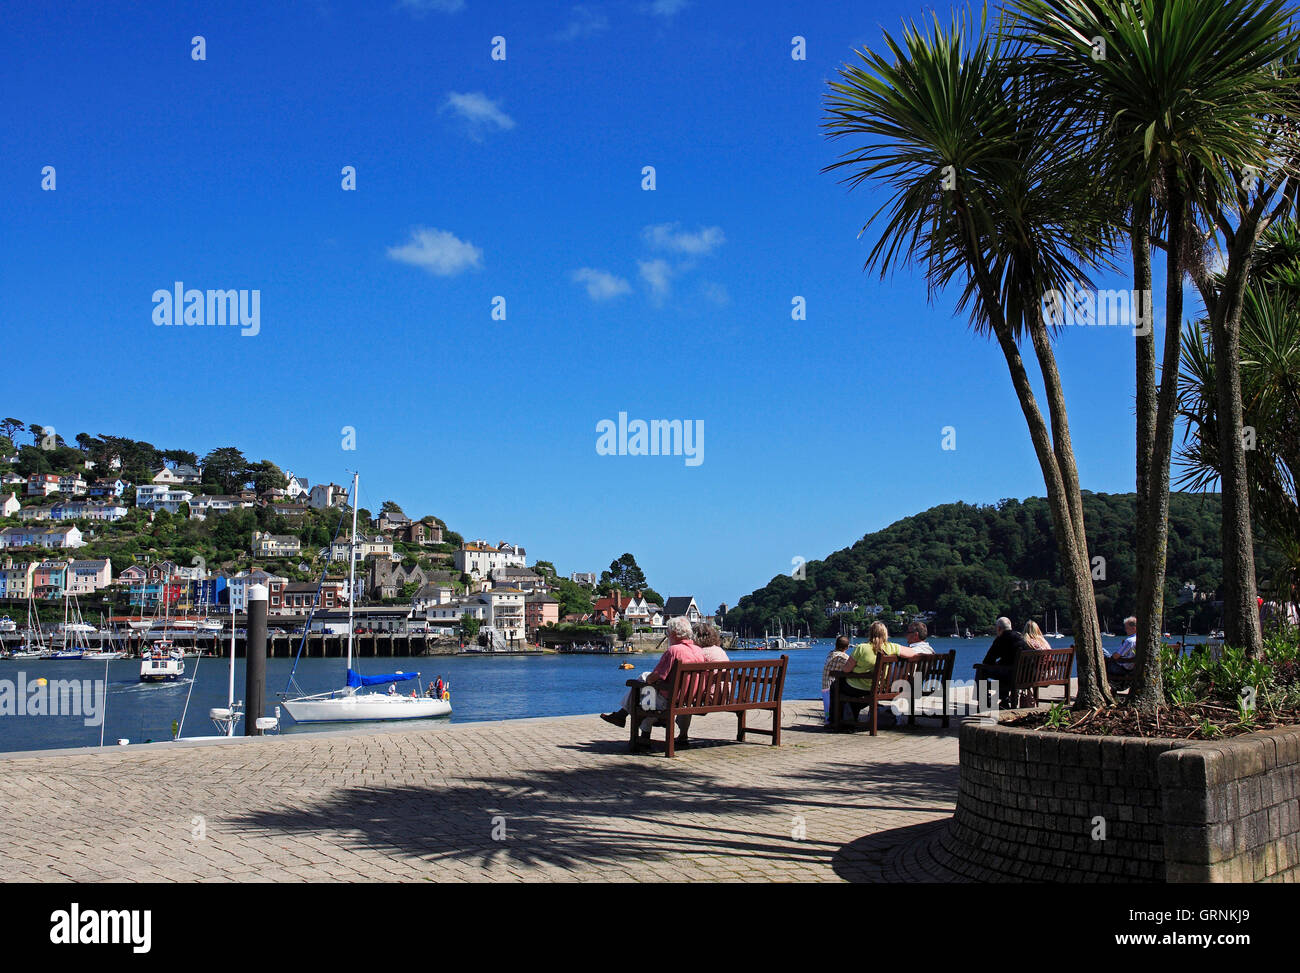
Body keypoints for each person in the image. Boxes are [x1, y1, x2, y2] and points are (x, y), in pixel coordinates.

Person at [600, 616, 705, 750]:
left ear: (674, 633)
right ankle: (629, 722)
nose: (667, 635)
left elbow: (655, 677)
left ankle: (624, 717)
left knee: (643, 683)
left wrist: (648, 680)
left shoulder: (674, 651)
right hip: (689, 699)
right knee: (646, 692)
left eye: (667, 632)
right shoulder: (699, 651)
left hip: (669, 700)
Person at [672, 621, 729, 747]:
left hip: (710, 697)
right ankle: (682, 735)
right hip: (725, 695)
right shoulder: (719, 651)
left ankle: (682, 735)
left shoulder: (700, 653)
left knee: (685, 698)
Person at [836, 622, 902, 728]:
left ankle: (835, 720)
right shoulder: (892, 647)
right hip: (880, 688)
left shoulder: (862, 648)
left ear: (870, 633)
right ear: (885, 634)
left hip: (860, 689)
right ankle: (850, 717)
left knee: (836, 685)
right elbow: (912, 653)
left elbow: (846, 670)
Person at [978, 617, 1027, 707]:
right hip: (1023, 675)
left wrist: (996, 663)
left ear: (999, 628)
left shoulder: (1001, 639)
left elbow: (987, 660)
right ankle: (1004, 700)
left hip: (1010, 675)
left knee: (981, 670)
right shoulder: (1020, 637)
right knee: (1003, 670)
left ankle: (984, 700)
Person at [821, 635, 852, 724]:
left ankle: (828, 720)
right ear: (847, 647)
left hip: (824, 685)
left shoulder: (831, 653)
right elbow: (851, 666)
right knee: (831, 705)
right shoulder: (842, 657)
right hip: (831, 686)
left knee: (827, 706)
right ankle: (832, 721)